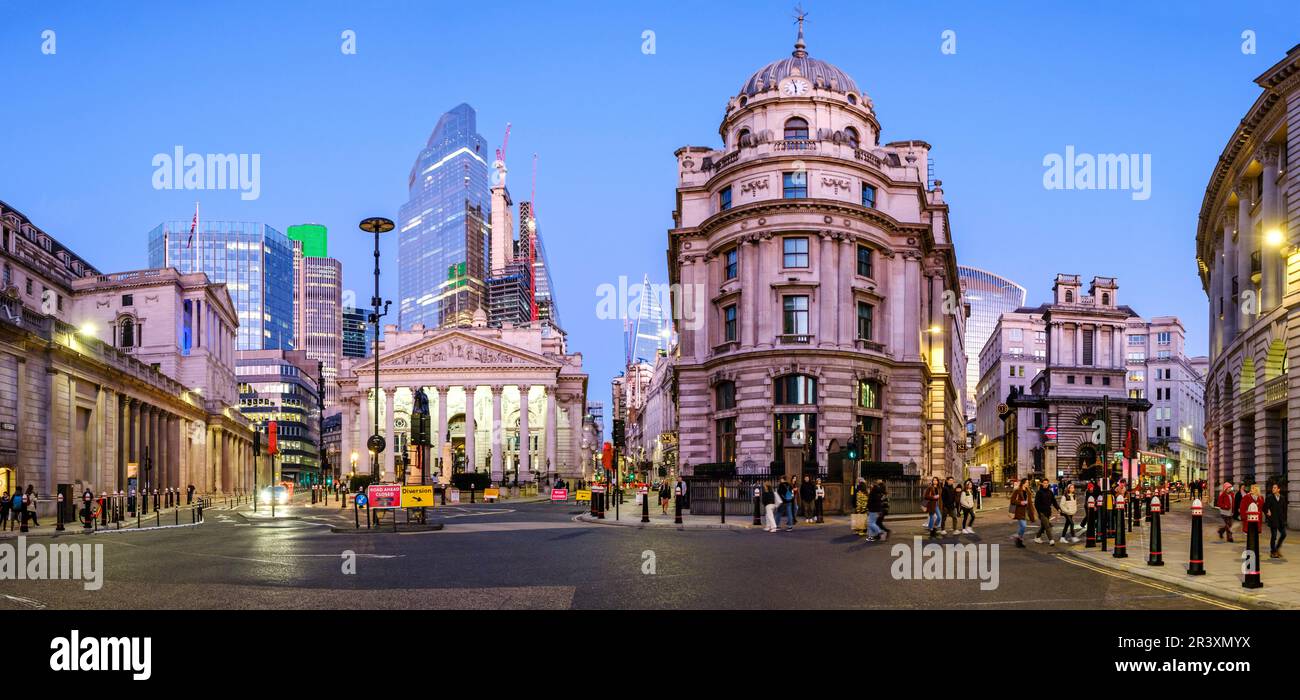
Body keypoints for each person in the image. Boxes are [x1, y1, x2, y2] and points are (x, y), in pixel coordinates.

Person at [1009, 480, 1035, 548]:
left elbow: (1030, 502)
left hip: (1026, 511)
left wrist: (1032, 509)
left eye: (1028, 482)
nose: (1028, 483)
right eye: (1026, 482)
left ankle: (1019, 541)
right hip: (1019, 511)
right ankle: (1018, 539)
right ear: (1023, 483)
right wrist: (1021, 502)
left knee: (1022, 527)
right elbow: (1012, 500)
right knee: (1023, 526)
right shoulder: (1017, 490)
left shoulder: (1028, 491)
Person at [1265, 482, 1287, 558]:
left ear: (1278, 489)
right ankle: (1273, 551)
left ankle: (1277, 548)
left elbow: (1284, 509)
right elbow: (1264, 507)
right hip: (1273, 520)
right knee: (1274, 536)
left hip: (1280, 520)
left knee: (1284, 534)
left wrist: (1284, 520)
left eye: (1275, 488)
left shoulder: (1283, 498)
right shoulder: (1269, 497)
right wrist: (1267, 511)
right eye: (1272, 488)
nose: (1273, 489)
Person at [1033, 478, 1058, 545]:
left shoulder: (1050, 492)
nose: (1046, 484)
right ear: (1042, 484)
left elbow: (1054, 501)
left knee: (1043, 526)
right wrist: (1039, 512)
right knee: (1047, 526)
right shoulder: (1039, 492)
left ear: (1048, 484)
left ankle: (1037, 537)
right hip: (1042, 513)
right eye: (1044, 483)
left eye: (1047, 483)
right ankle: (1051, 540)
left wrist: (1058, 508)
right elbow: (1036, 504)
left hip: (1048, 512)